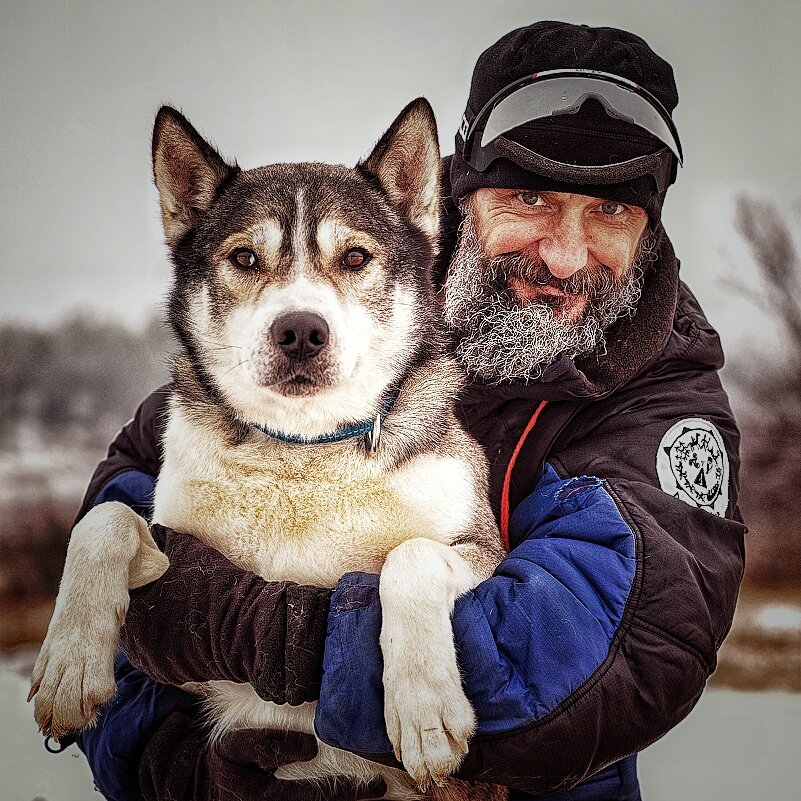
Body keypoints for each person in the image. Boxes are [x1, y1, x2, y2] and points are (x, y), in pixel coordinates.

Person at [58, 21, 745, 801]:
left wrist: (256, 626)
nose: (563, 253)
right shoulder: (293, 338)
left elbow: (611, 667)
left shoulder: (665, 405)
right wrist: (171, 766)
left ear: (649, 229)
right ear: (456, 192)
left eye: (610, 213)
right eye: (528, 196)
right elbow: (100, 602)